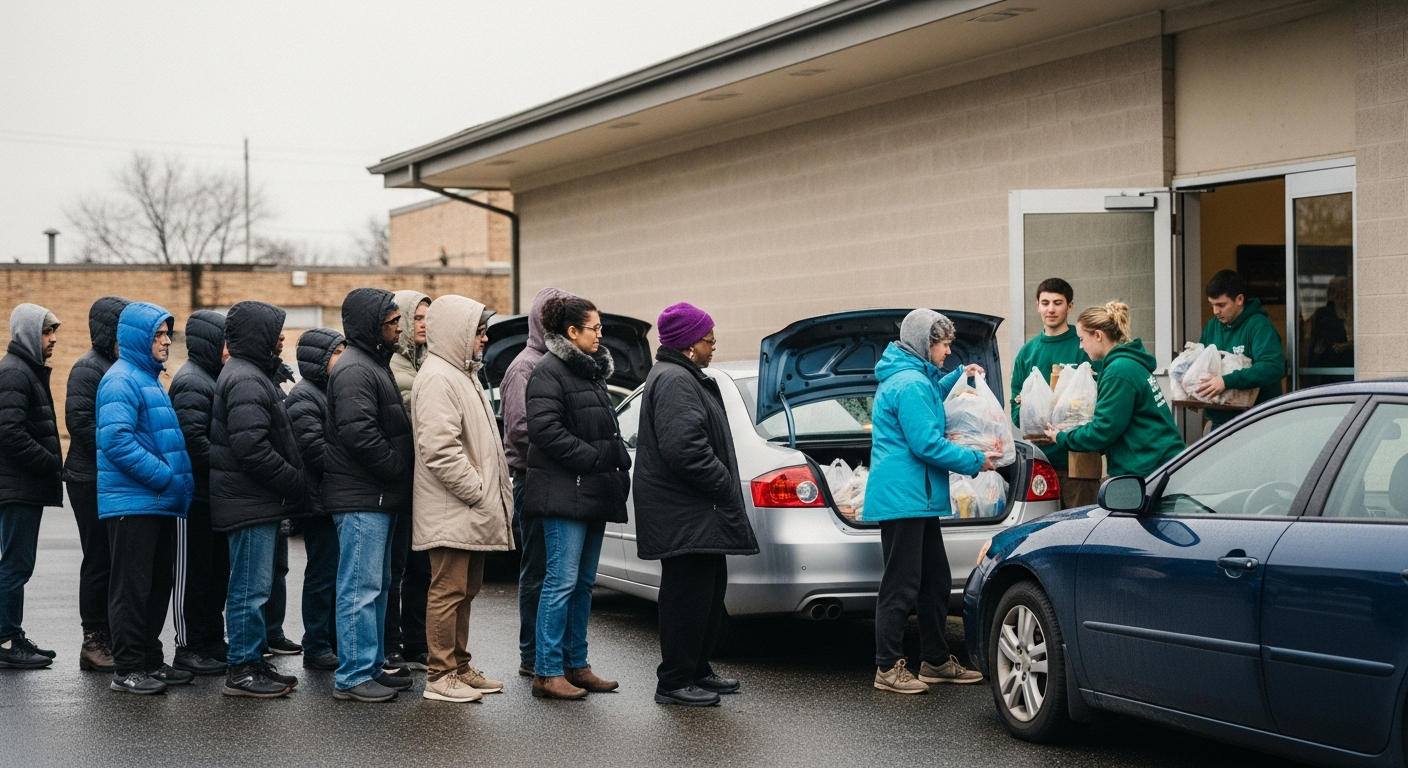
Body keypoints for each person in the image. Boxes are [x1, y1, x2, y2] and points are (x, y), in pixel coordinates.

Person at [634, 303, 758, 707]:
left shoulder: (683, 376)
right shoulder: (674, 380)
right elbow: (684, 449)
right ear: (689, 344)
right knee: (686, 598)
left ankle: (698, 669)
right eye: (708, 340)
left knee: (707, 592)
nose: (713, 346)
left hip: (698, 513)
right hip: (686, 513)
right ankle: (673, 680)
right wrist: (724, 484)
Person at [865, 309, 991, 695]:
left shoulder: (914, 378)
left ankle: (935, 660)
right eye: (944, 344)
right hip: (905, 498)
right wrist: (974, 460)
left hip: (916, 498)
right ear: (925, 343)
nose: (948, 351)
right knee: (901, 585)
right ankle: (887, 667)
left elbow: (933, 391)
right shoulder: (911, 384)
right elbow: (926, 444)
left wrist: (960, 375)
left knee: (934, 580)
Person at [523, 294, 630, 700]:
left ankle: (576, 665)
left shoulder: (590, 371)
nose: (601, 335)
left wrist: (613, 460)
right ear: (572, 332)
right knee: (561, 582)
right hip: (564, 495)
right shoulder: (548, 372)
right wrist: (595, 458)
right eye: (595, 328)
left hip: (593, 491)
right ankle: (546, 671)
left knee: (584, 583)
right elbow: (545, 431)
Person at [410, 295, 513, 703]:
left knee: (465, 590)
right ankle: (440, 675)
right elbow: (440, 449)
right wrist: (478, 490)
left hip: (467, 509)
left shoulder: (461, 373)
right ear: (457, 333)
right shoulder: (439, 377)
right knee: (448, 591)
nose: (485, 338)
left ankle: (459, 666)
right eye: (478, 331)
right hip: (454, 508)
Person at [209, 301, 308, 698]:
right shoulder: (247, 379)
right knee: (249, 591)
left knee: (254, 588)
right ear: (257, 335)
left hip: (253, 501)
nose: (282, 337)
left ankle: (250, 659)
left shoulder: (249, 373)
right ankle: (242, 670)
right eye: (275, 331)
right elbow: (251, 448)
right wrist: (293, 481)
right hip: (249, 503)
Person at [97, 301, 195, 694]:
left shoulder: (147, 377)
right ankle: (127, 669)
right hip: (134, 502)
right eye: (158, 334)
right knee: (131, 588)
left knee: (156, 586)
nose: (166, 340)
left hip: (155, 501)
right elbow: (115, 440)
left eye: (167, 333)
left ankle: (150, 661)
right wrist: (163, 477)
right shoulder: (121, 380)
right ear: (138, 338)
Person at [323, 287, 415, 702]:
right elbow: (359, 433)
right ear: (372, 326)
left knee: (375, 588)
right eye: (393, 322)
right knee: (359, 589)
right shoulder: (356, 369)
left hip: (377, 496)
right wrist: (397, 470)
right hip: (363, 497)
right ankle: (354, 676)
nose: (401, 328)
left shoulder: (372, 364)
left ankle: (371, 665)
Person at [501, 286, 573, 678]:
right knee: (540, 571)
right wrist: (567, 450)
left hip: (560, 482)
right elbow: (519, 431)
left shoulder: (565, 363)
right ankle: (532, 653)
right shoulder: (524, 367)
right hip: (534, 481)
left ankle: (558, 652)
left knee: (560, 573)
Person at [1044, 301, 1186, 478]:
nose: (1081, 346)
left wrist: (1062, 437)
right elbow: (1116, 423)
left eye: (1081, 339)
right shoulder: (1127, 364)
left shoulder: (1118, 371)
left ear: (1097, 335)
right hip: (1157, 464)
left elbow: (1103, 430)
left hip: (1148, 469)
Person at [64, 296, 129, 672]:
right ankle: (94, 641)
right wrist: (120, 453)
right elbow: (81, 424)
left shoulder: (115, 365)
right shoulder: (89, 368)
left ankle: (109, 637)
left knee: (111, 560)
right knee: (99, 561)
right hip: (89, 478)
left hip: (105, 476)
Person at [0, 303, 63, 671]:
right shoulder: (14, 373)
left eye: (54, 331)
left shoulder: (24, 370)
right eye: (46, 331)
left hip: (22, 485)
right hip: (18, 486)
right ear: (26, 333)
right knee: (15, 564)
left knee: (16, 563)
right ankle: (7, 639)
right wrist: (51, 462)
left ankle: (11, 633)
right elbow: (9, 433)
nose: (53, 338)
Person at [168, 309, 230, 676]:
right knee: (194, 575)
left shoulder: (211, 377)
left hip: (214, 495)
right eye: (224, 342)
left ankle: (210, 640)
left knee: (214, 573)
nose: (228, 350)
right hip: (195, 497)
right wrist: (228, 469)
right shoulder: (193, 381)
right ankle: (188, 646)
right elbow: (193, 441)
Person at [285, 328, 345, 672]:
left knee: (335, 574)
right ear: (319, 358)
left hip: (332, 498)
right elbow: (314, 450)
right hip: (318, 502)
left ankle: (333, 641)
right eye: (336, 352)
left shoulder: (329, 390)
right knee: (323, 575)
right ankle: (317, 645)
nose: (343, 358)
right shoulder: (305, 396)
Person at [1008, 278, 1095, 508]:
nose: (1051, 309)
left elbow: (1098, 400)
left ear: (1070, 306)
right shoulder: (1027, 353)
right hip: (1039, 464)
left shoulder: (1083, 344)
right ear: (1037, 305)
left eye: (1058, 302)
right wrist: (1027, 410)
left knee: (1080, 532)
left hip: (1077, 462)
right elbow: (1016, 407)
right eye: (1045, 303)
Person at [386, 289, 431, 671]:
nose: (423, 325)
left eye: (427, 318)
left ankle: (417, 642)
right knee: (394, 569)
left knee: (422, 568)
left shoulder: (427, 361)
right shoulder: (393, 365)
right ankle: (393, 644)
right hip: (402, 479)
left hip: (426, 482)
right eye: (415, 318)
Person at [1196, 270, 1286, 431]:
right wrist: (1194, 394)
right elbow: (1199, 365)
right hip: (1217, 422)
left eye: (1221, 305)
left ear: (1239, 299)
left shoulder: (1260, 326)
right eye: (1212, 305)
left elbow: (1273, 367)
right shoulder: (1212, 326)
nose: (1216, 311)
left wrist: (1226, 381)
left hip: (1256, 422)